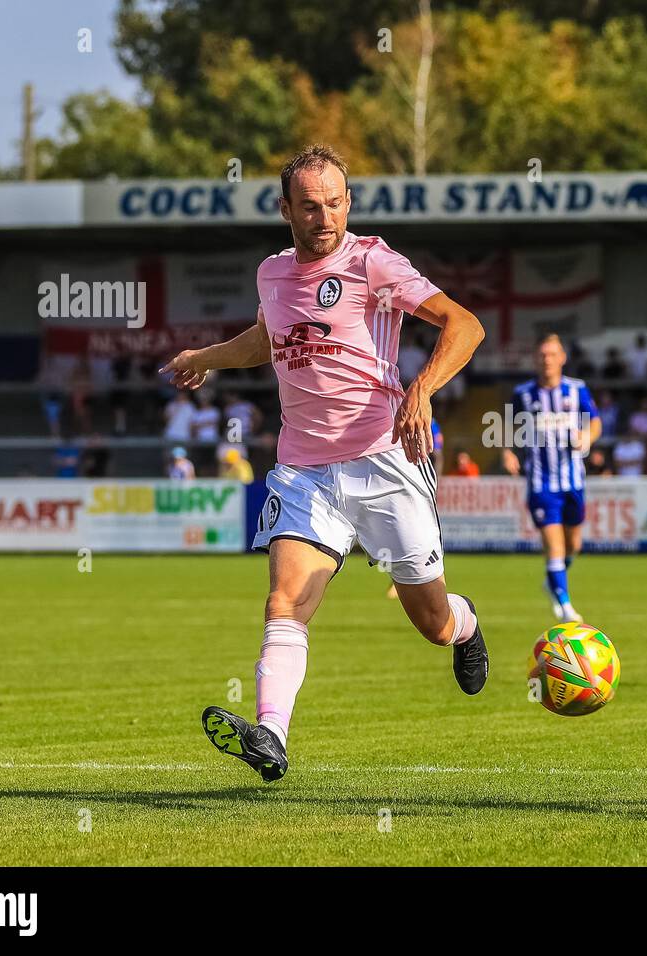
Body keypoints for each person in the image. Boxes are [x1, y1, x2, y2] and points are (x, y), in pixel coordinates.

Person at [160, 144, 487, 783]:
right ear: (286, 210)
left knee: (431, 622)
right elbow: (267, 341)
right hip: (305, 470)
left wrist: (420, 390)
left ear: (349, 204)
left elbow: (465, 325)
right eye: (309, 206)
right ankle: (272, 736)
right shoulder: (272, 274)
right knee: (285, 600)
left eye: (335, 203)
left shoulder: (373, 262)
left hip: (385, 463)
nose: (324, 217)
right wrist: (206, 356)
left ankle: (466, 623)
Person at [512, 334, 601, 623]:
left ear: (562, 358)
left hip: (573, 481)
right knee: (555, 544)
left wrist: (586, 436)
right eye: (542, 355)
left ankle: (553, 579)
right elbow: (507, 427)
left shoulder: (577, 390)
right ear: (536, 359)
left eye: (552, 354)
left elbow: (595, 422)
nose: (547, 359)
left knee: (574, 545)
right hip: (540, 483)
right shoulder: (523, 394)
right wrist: (507, 452)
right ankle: (564, 606)